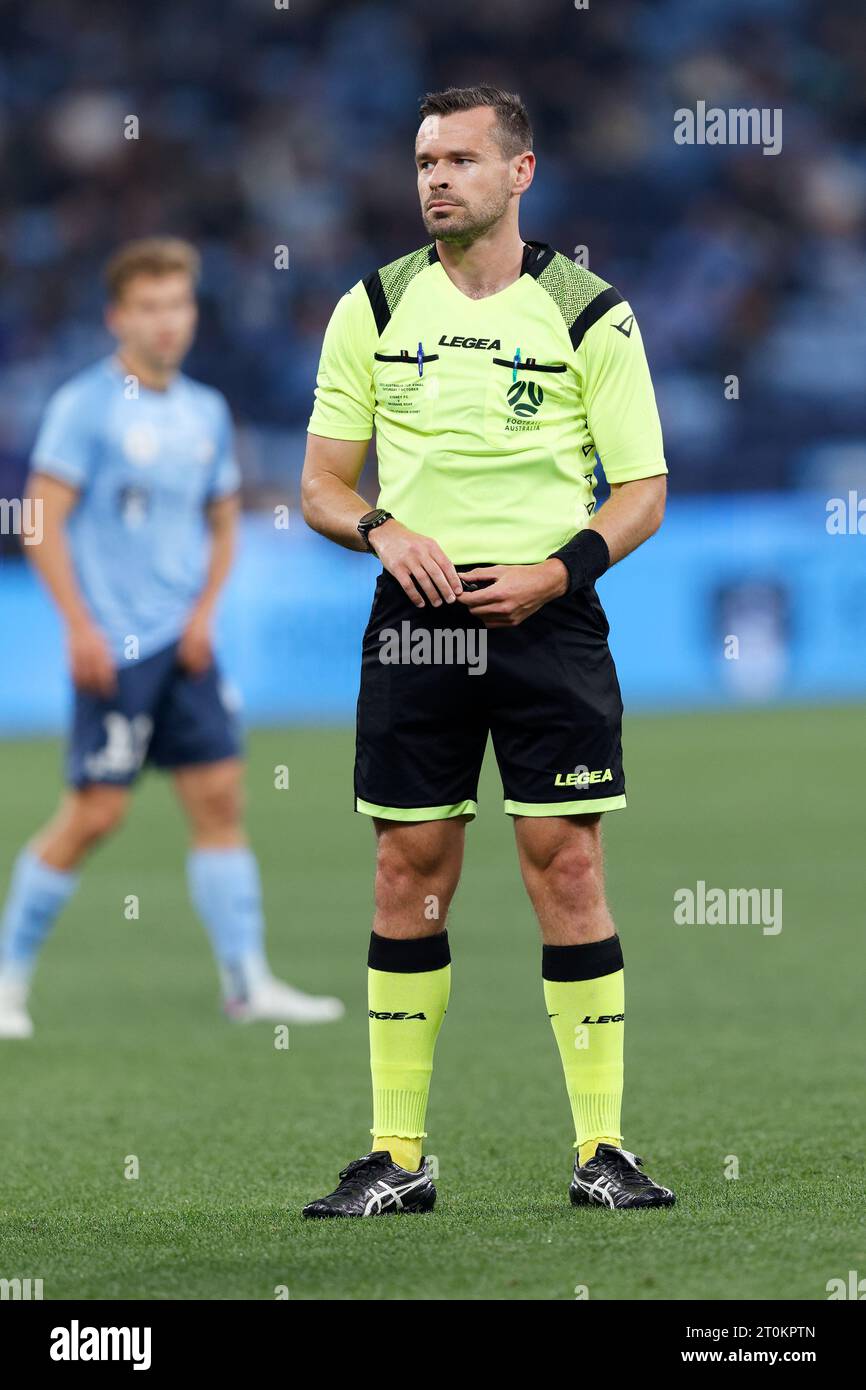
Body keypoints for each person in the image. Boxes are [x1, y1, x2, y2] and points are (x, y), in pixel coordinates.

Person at [300, 86, 673, 1216]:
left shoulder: (585, 310)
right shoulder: (370, 306)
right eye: (422, 159)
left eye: (460, 158)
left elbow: (643, 492)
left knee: (565, 865)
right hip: (415, 625)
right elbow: (319, 483)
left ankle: (600, 1150)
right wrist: (382, 527)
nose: (434, 179)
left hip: (547, 619)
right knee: (406, 875)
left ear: (519, 173)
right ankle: (396, 1156)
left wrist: (556, 571)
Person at [0, 237, 343, 1038]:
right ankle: (8, 982)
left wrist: (202, 615)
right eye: (149, 307)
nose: (166, 322)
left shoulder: (205, 411)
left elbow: (223, 524)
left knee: (220, 799)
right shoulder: (86, 405)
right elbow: (41, 521)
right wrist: (78, 627)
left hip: (184, 645)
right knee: (95, 815)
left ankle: (247, 982)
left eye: (179, 305)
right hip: (112, 644)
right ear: (120, 317)